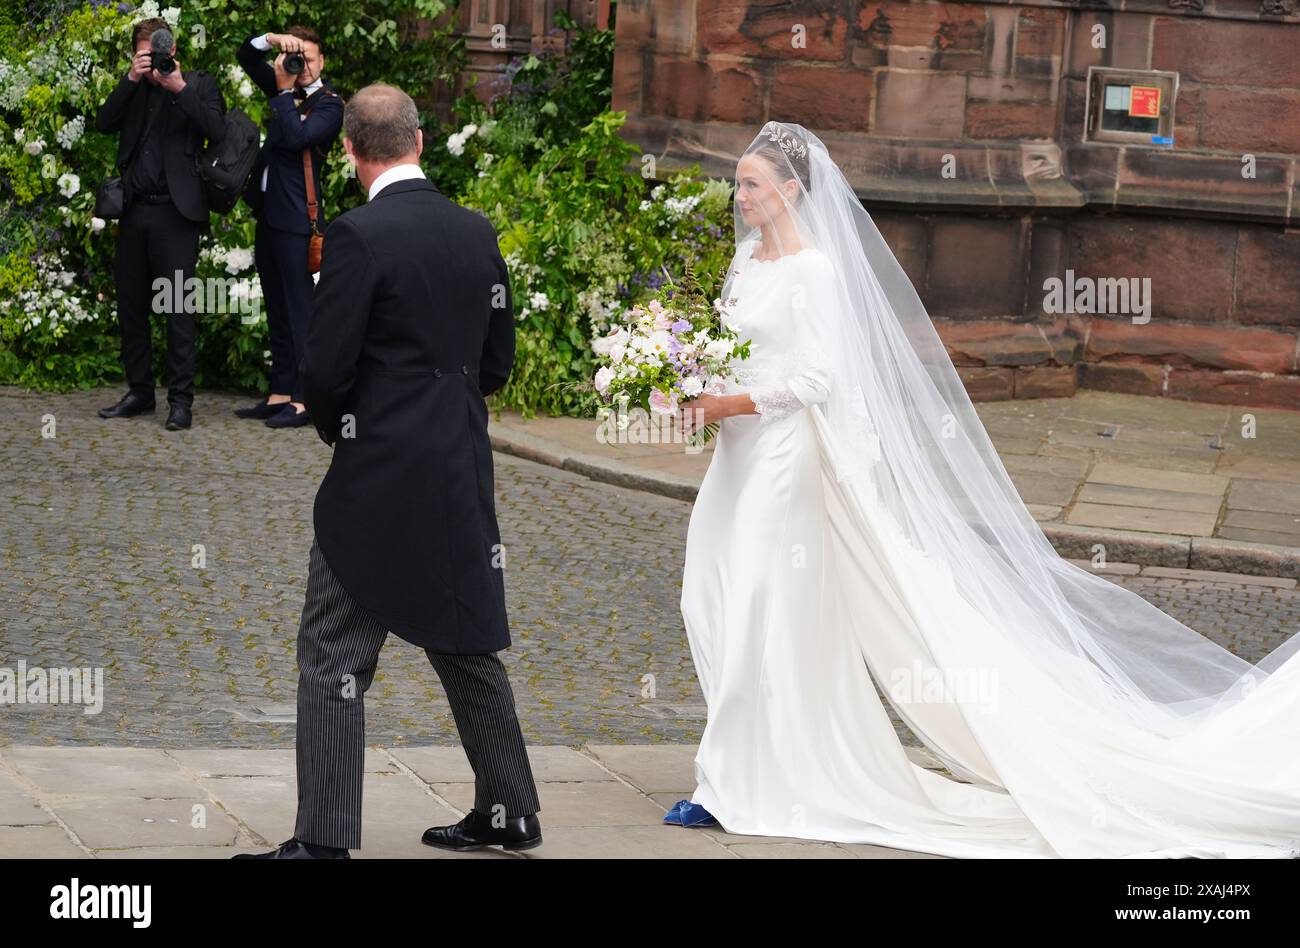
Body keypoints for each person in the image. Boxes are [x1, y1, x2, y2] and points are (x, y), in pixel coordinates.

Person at [670, 121, 1300, 858]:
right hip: (735, 458)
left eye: (751, 183)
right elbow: (738, 352)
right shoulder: (748, 261)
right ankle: (748, 762)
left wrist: (726, 405)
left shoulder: (816, 271)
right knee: (705, 595)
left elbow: (817, 380)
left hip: (782, 464)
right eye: (739, 182)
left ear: (790, 190)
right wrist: (687, 382)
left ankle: (734, 779)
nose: (739, 195)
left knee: (757, 610)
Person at [234, 84, 538, 859]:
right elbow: (496, 361)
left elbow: (325, 369)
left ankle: (325, 840)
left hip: (378, 474)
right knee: (467, 640)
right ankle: (511, 812)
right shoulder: (476, 232)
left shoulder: (358, 236)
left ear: (348, 151)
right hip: (460, 464)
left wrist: (343, 429)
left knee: (335, 652)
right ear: (419, 142)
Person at [94, 17, 226, 431]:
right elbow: (104, 123)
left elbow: (217, 131)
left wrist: (179, 87)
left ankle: (181, 400)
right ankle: (140, 392)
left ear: (174, 47)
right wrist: (131, 80)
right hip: (133, 211)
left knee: (177, 307)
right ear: (137, 53)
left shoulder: (198, 84)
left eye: (160, 49)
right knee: (131, 306)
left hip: (176, 214)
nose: (155, 58)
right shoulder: (133, 87)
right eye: (147, 52)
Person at [232, 26, 343, 429]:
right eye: (299, 58)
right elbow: (245, 56)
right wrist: (273, 40)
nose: (304, 66)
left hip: (300, 221)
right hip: (270, 218)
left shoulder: (330, 106)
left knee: (301, 313)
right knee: (277, 309)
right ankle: (280, 391)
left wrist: (281, 92)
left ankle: (304, 398)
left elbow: (297, 140)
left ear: (322, 61)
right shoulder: (284, 88)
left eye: (310, 59)